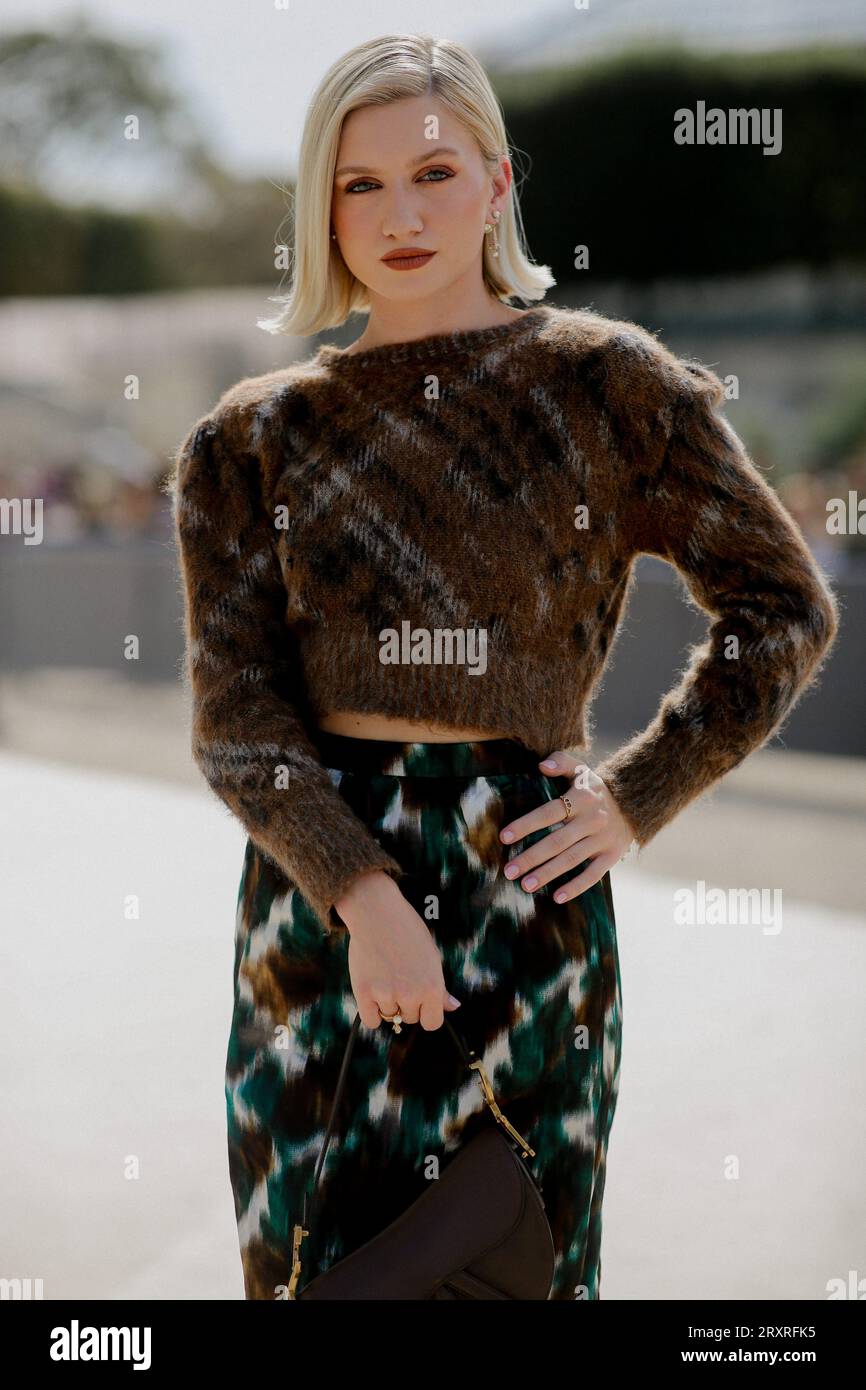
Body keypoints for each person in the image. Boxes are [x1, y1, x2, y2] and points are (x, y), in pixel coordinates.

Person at [167, 33, 838, 1301]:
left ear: (495, 183)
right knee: (313, 1273)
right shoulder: (249, 438)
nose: (399, 215)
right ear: (321, 208)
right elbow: (238, 720)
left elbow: (781, 607)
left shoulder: (607, 386)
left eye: (432, 172)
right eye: (359, 185)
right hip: (313, 916)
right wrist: (364, 899)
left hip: (527, 899)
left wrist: (635, 795)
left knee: (521, 1273)